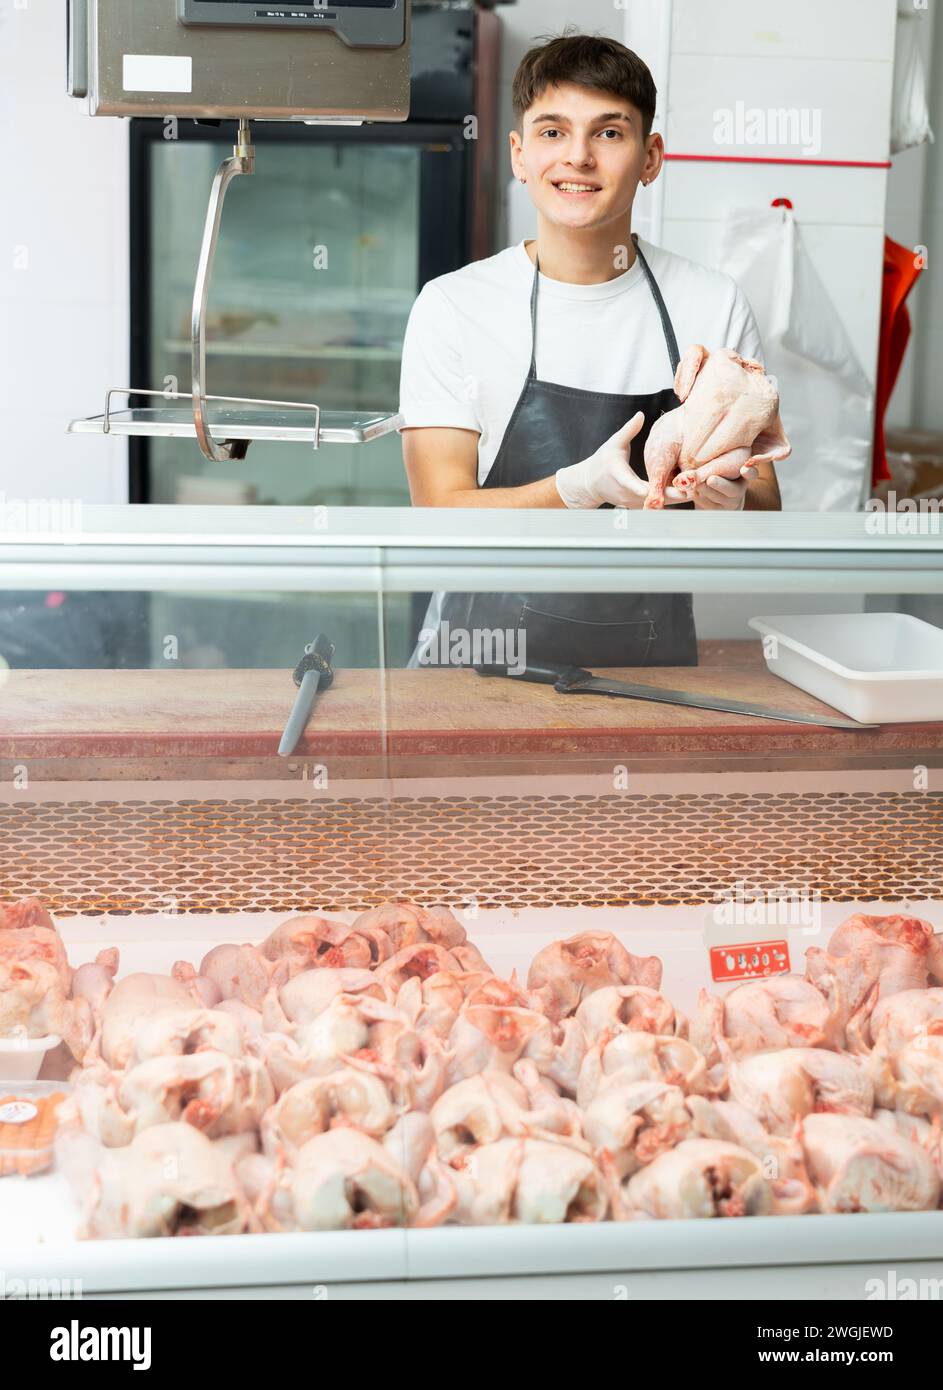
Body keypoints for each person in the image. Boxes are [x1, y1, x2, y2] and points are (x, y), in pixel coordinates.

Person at [399, 33, 781, 670]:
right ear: (519, 155)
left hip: (648, 671)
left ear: (651, 157)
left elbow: (766, 505)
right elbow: (439, 515)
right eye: (552, 132)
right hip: (472, 667)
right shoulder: (454, 306)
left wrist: (733, 502)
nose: (577, 158)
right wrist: (575, 489)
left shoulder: (712, 304)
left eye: (609, 133)